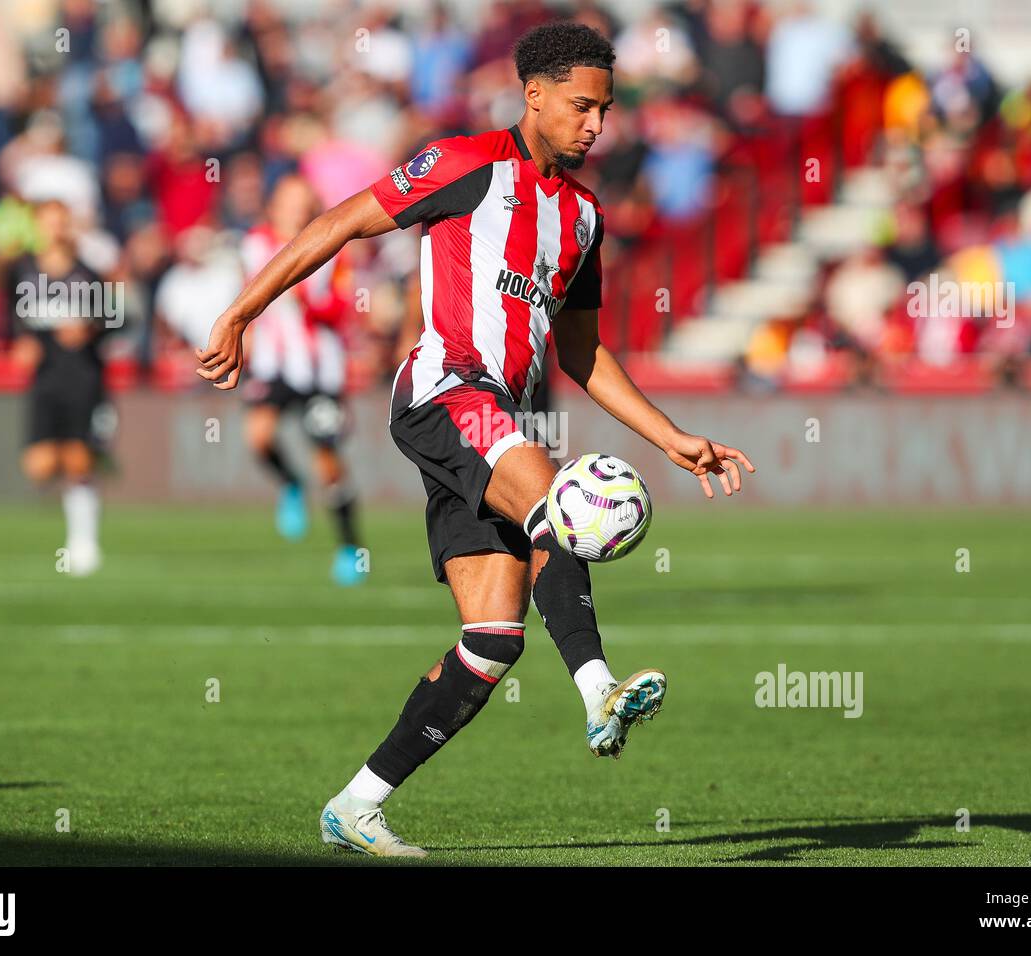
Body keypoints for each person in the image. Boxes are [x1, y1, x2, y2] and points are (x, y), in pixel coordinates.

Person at [194, 21, 755, 857]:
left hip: (502, 421)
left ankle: (356, 805)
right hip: (444, 392)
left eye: (605, 109)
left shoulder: (585, 218)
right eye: (582, 106)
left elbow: (582, 352)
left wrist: (670, 436)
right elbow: (343, 222)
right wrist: (241, 311)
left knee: (491, 640)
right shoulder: (464, 163)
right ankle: (599, 688)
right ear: (533, 94)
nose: (597, 125)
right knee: (559, 503)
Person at [239, 174, 364, 584]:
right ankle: (290, 483)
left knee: (327, 463)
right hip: (274, 366)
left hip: (319, 371)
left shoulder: (332, 247)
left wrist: (307, 298)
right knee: (258, 437)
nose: (295, 210)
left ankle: (350, 548)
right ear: (273, 206)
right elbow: (246, 297)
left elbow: (341, 307)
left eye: (302, 202)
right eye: (288, 201)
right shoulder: (254, 244)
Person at [12, 200, 115, 576]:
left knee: (77, 461)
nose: (54, 230)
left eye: (60, 222)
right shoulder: (22, 270)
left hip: (83, 376)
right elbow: (14, 319)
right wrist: (20, 342)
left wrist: (89, 328)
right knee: (39, 466)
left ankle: (83, 543)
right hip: (44, 377)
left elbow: (114, 319)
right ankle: (99, 460)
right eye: (47, 222)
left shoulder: (87, 273)